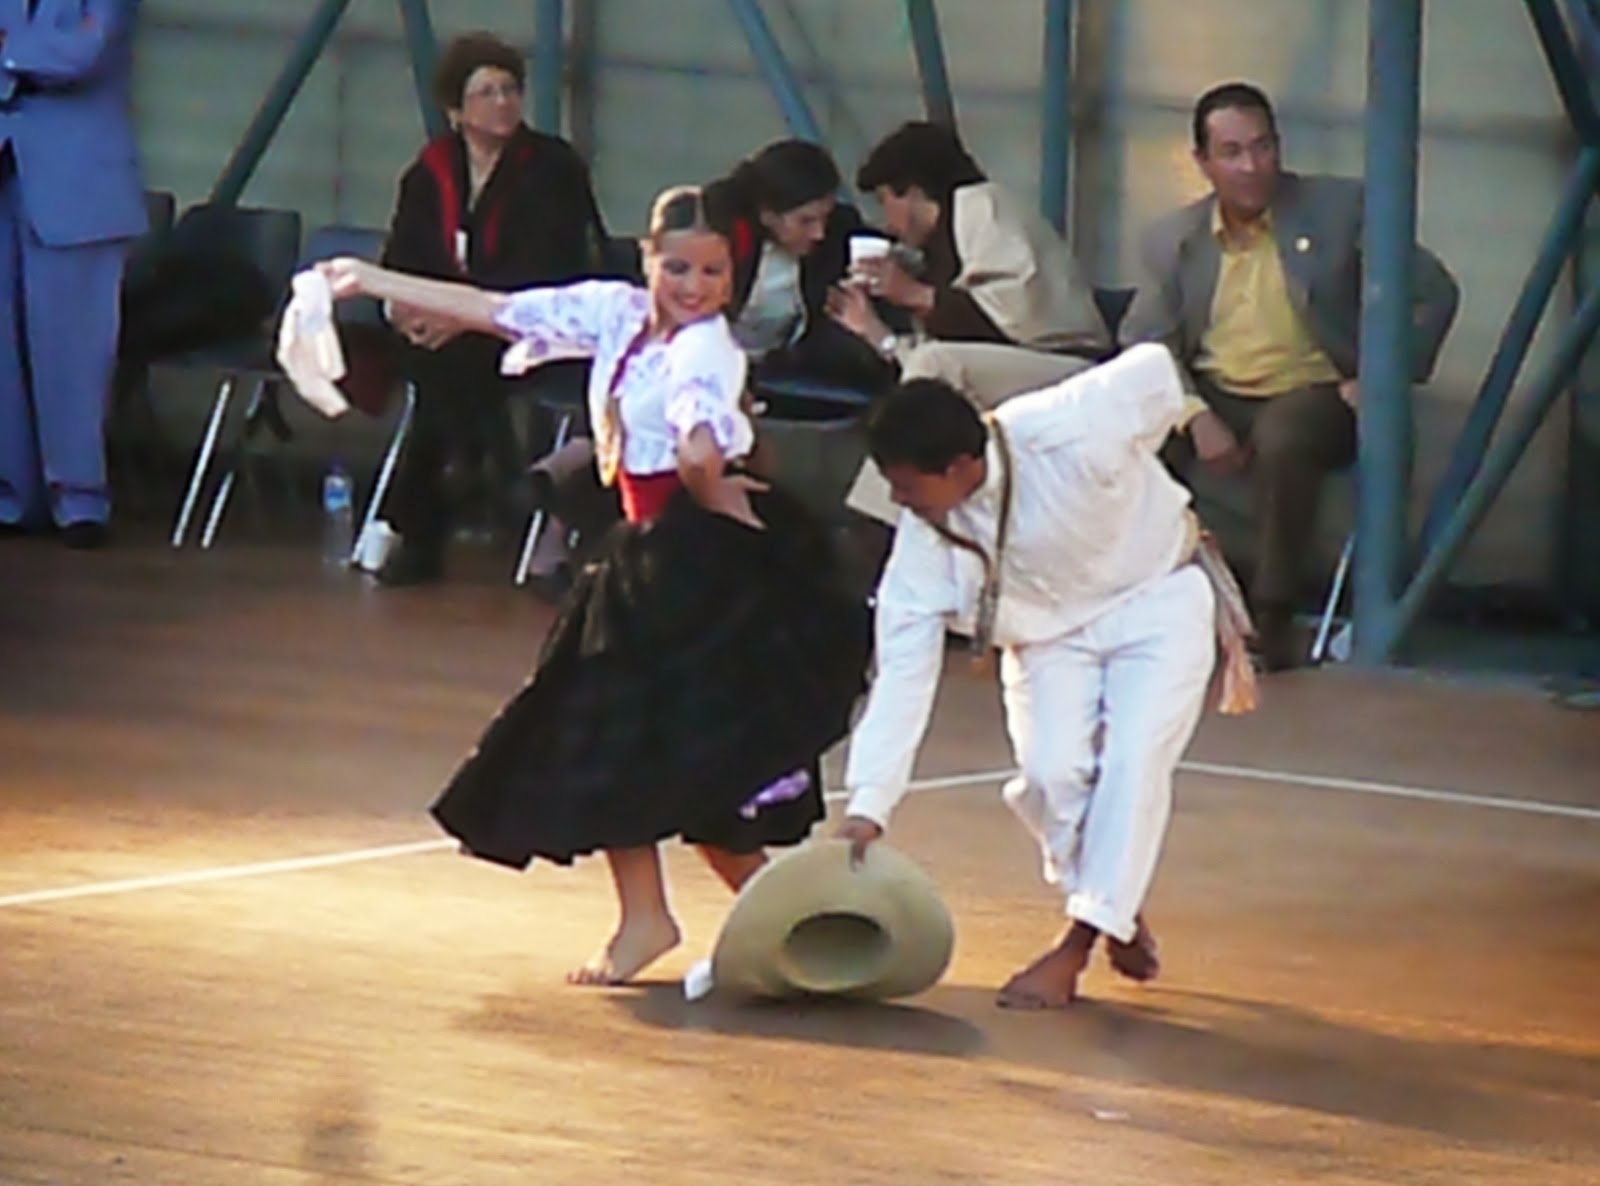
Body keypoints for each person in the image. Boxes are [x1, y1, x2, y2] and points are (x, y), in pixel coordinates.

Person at [317, 185, 872, 986]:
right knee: (614, 732)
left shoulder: (706, 348)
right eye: (678, 266)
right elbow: (497, 309)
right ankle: (652, 916)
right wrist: (374, 281)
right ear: (647, 259)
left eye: (713, 271)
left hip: (702, 564)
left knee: (696, 753)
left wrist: (707, 482)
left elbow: (697, 445)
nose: (693, 285)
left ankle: (784, 914)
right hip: (651, 554)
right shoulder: (617, 314)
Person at [834, 344, 1256, 1010]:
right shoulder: (922, 543)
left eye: (910, 485)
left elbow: (1154, 367)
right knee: (1050, 778)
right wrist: (868, 807)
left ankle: (1083, 937)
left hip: (1156, 596)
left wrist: (1187, 419)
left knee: (1133, 758)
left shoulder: (1069, 424)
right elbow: (902, 677)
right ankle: (1110, 893)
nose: (898, 501)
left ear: (962, 465)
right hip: (1047, 639)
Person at [1121, 81, 1459, 669]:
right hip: (1217, 390)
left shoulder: (1340, 210)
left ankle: (1271, 616)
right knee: (1131, 431)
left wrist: (1382, 375)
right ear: (1202, 163)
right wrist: (1194, 416)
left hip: (1316, 391)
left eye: (1262, 147)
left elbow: (1434, 294)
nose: (1251, 166)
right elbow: (1142, 342)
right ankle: (1139, 609)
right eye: (1231, 152)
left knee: (1286, 434)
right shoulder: (1172, 240)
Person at [375, 30, 609, 587]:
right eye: (487, 92)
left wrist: (463, 316)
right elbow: (402, 254)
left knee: (448, 372)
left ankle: (422, 529)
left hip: (534, 320)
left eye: (510, 90)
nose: (503, 102)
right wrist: (411, 310)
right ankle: (506, 482)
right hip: (447, 330)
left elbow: (549, 263)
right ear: (456, 108)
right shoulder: (431, 169)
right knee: (441, 367)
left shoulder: (552, 166)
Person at [827, 120, 1110, 526]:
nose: (887, 221)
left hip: (1067, 365)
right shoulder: (934, 251)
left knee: (936, 367)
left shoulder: (982, 206)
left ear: (912, 191)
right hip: (1014, 370)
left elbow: (1009, 319)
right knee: (933, 373)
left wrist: (912, 293)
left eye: (886, 201)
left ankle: (880, 519)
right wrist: (874, 332)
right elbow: (951, 356)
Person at [0, 0, 147, 547]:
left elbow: (85, 52)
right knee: (3, 352)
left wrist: (8, 52)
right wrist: (29, 57)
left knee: (74, 352)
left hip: (81, 186)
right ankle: (13, 497)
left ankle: (79, 499)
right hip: (8, 173)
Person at [708, 138, 895, 395]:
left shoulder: (837, 231)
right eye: (805, 221)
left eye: (824, 218)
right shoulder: (728, 239)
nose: (819, 233)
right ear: (767, 214)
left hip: (793, 359)